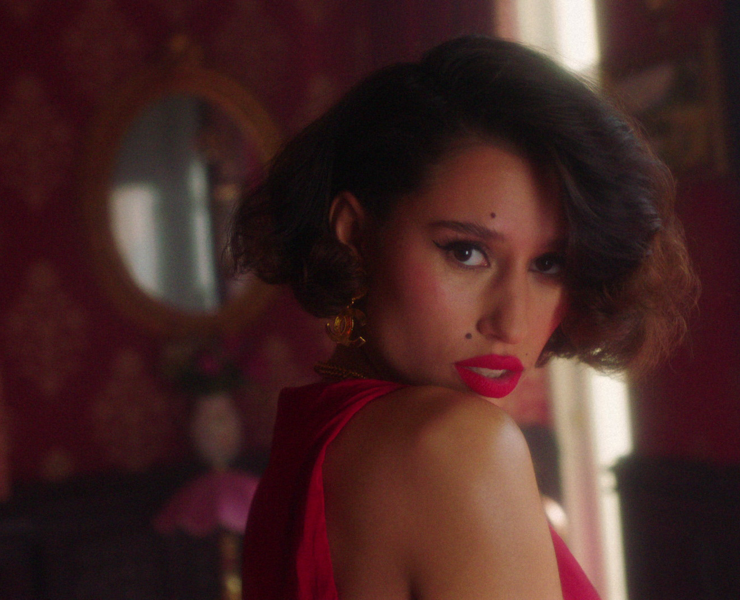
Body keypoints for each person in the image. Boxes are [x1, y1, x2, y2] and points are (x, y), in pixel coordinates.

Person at [232, 35, 695, 600]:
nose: (512, 321)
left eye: (549, 263)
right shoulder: (457, 445)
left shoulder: (310, 443)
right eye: (467, 252)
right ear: (355, 235)